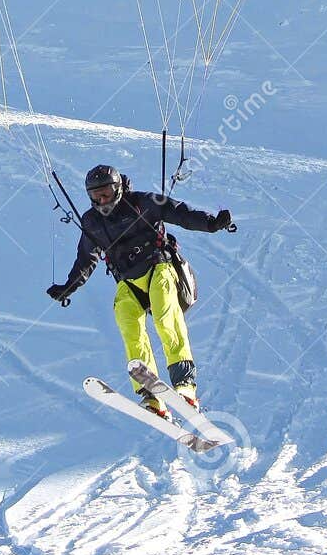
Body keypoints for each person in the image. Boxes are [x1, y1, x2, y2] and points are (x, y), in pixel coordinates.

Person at [47, 165, 234, 418]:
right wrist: (69, 287)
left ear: (119, 189)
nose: (102, 201)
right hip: (128, 281)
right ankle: (153, 397)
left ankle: (185, 387)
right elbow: (86, 259)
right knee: (127, 323)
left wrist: (211, 224)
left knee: (165, 318)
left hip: (160, 268)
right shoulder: (91, 221)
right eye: (96, 196)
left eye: (107, 193)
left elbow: (180, 213)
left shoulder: (143, 203)